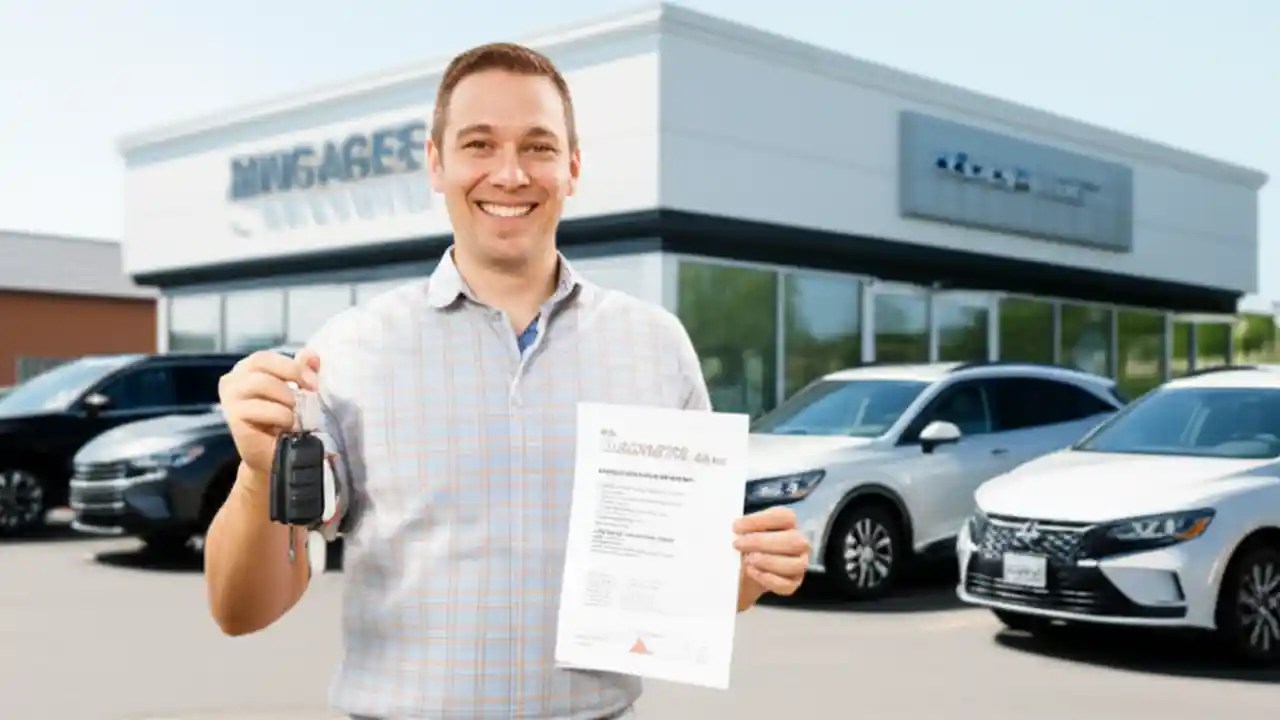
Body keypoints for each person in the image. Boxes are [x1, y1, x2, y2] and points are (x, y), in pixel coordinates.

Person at [204, 41, 811, 720]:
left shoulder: (655, 347)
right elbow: (241, 610)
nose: (511, 173)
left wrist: (747, 576)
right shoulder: (349, 353)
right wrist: (256, 475)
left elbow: (683, 593)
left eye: (539, 147)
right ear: (436, 163)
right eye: (479, 144)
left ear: (573, 166)